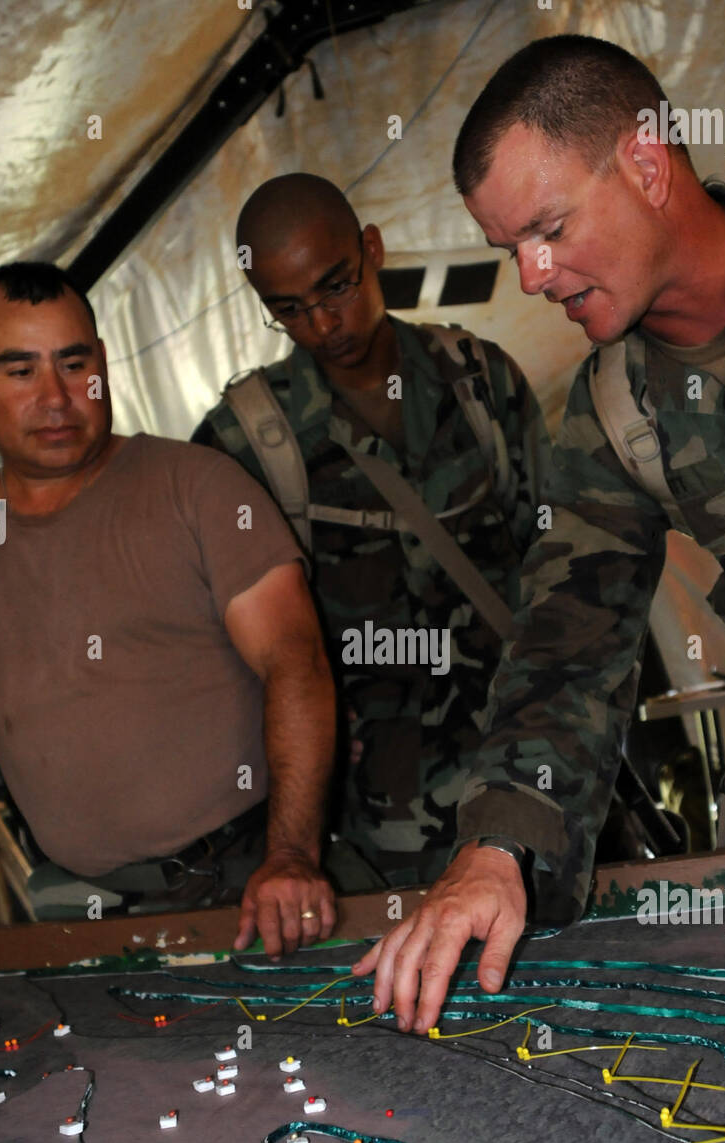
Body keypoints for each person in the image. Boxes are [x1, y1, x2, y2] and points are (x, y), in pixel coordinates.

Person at [354, 34, 725, 1030]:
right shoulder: (610, 410)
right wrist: (494, 846)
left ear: (642, 161)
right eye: (511, 250)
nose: (532, 276)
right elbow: (565, 646)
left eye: (546, 228)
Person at [0, 262, 337, 956]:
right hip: (74, 908)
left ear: (104, 364)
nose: (56, 397)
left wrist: (292, 856)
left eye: (73, 362)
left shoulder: (199, 488)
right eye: (20, 371)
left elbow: (295, 661)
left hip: (250, 884)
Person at [194, 174, 554, 892]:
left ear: (372, 249)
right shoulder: (243, 444)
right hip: (370, 839)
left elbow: (564, 573)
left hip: (524, 791)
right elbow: (220, 658)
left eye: (336, 287)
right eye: (289, 310)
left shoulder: (480, 384)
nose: (324, 325)